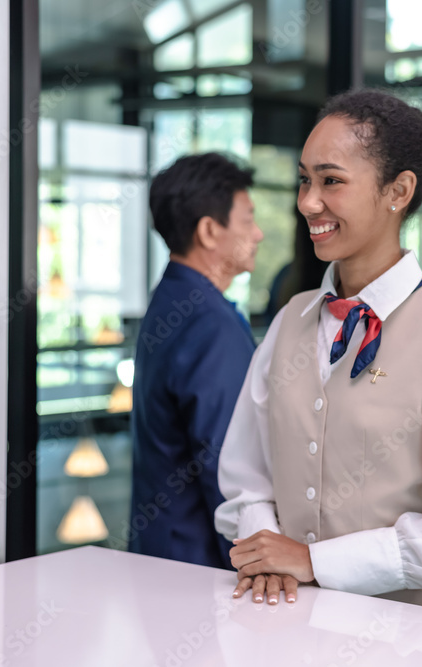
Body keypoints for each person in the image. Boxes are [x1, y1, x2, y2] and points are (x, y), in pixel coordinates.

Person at [214, 88, 422, 610]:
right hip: (279, 621)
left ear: (398, 190)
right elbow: (246, 479)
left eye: (331, 181)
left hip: (400, 632)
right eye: (304, 180)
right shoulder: (290, 321)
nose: (308, 202)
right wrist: (266, 546)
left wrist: (314, 561)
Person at [130, 152, 263, 569]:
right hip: (200, 565)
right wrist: (251, 566)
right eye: (248, 220)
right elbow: (227, 466)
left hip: (161, 551)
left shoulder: (170, 298)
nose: (258, 233)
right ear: (208, 230)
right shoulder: (210, 323)